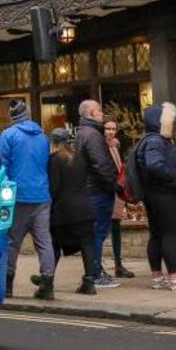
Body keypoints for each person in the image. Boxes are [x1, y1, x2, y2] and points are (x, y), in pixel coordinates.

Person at [136, 102, 176, 290]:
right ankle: (175, 278)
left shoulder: (150, 140)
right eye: (169, 120)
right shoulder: (156, 141)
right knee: (170, 234)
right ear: (160, 121)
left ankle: (158, 278)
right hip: (165, 194)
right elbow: (155, 165)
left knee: (156, 235)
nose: (172, 124)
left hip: (154, 194)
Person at [0, 99, 56, 299]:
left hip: (18, 196)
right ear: (28, 114)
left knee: (12, 241)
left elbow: (3, 167)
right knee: (44, 241)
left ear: (12, 116)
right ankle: (47, 284)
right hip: (42, 195)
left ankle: (7, 285)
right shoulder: (43, 136)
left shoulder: (8, 135)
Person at [74, 99, 120, 289]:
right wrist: (115, 184)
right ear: (92, 112)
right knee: (98, 233)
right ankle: (95, 273)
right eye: (99, 110)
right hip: (98, 191)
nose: (102, 113)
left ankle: (95, 270)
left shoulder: (83, 132)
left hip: (90, 190)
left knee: (95, 233)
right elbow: (101, 164)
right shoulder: (92, 135)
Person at [47, 127, 98, 295]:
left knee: (54, 244)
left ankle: (47, 279)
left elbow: (54, 188)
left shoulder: (55, 160)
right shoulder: (79, 157)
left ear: (53, 142)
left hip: (64, 210)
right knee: (87, 244)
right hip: (85, 207)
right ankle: (89, 282)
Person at [103, 118, 134, 278]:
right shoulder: (101, 147)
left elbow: (119, 167)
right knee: (102, 230)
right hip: (106, 191)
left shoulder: (116, 146)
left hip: (117, 192)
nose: (110, 132)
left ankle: (118, 264)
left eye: (113, 129)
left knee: (116, 228)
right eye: (107, 128)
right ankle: (99, 267)